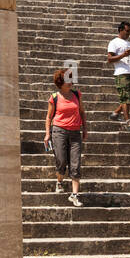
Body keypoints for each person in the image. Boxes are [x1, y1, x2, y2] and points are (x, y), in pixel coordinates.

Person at [43, 68, 87, 208]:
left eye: (71, 79)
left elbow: (82, 112)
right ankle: (60, 181)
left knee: (76, 163)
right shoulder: (54, 97)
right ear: (60, 82)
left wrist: (85, 128)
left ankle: (74, 195)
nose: (71, 82)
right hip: (59, 131)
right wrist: (47, 133)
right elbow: (49, 117)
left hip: (75, 133)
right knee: (61, 160)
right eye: (67, 80)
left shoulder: (76, 94)